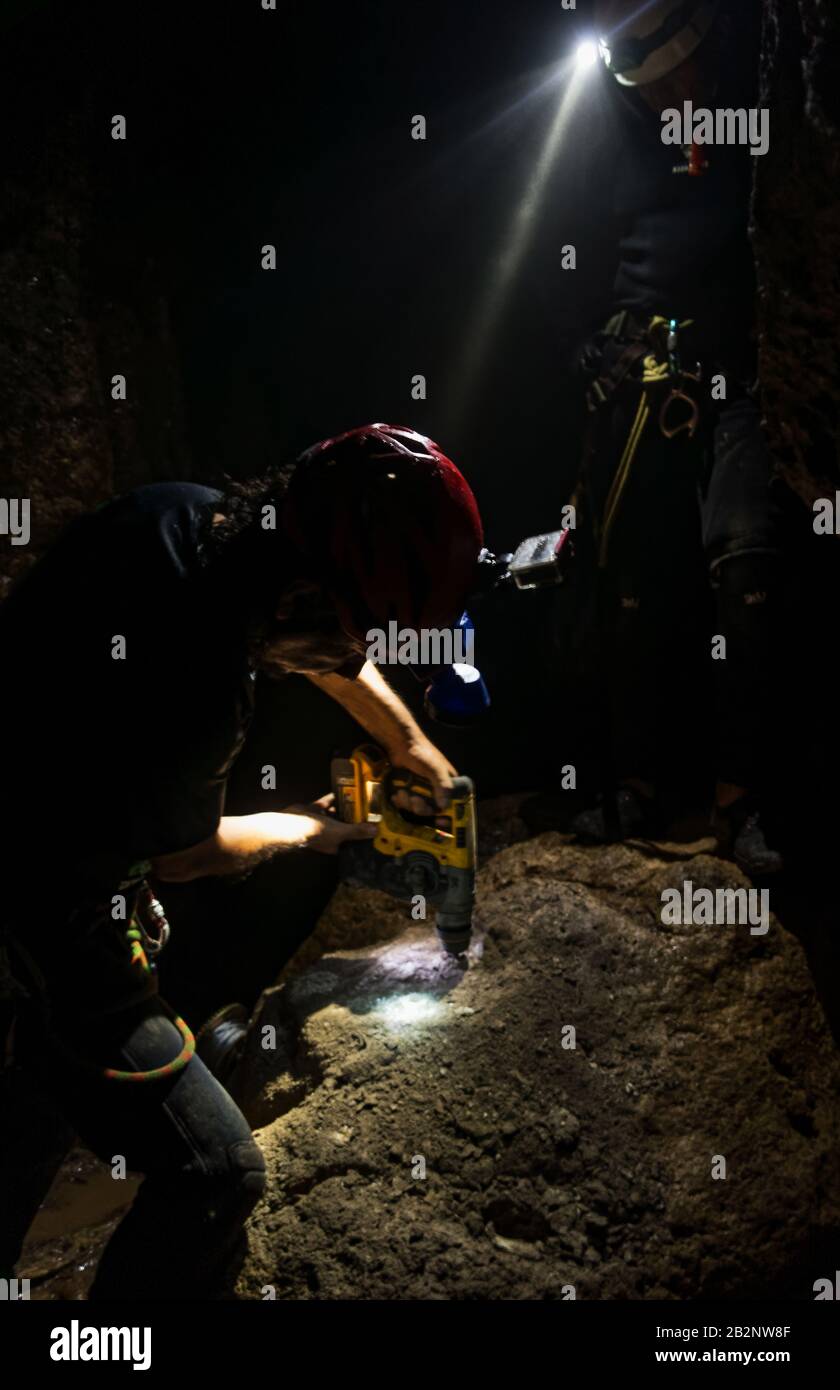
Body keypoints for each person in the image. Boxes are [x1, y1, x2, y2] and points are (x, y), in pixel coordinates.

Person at [0, 422, 484, 1299]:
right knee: (217, 1173)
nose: (360, 660)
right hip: (47, 918)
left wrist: (414, 748)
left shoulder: (185, 521)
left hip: (25, 836)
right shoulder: (198, 684)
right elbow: (188, 854)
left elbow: (319, 642)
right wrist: (319, 827)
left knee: (27, 1115)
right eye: (359, 637)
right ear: (301, 597)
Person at [565, 0, 784, 873]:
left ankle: (749, 800)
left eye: (679, 82)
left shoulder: (757, 113)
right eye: (652, 91)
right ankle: (640, 784)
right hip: (649, 374)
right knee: (632, 579)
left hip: (747, 371)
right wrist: (583, 342)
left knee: (748, 567)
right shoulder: (611, 127)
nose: (669, 102)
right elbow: (566, 247)